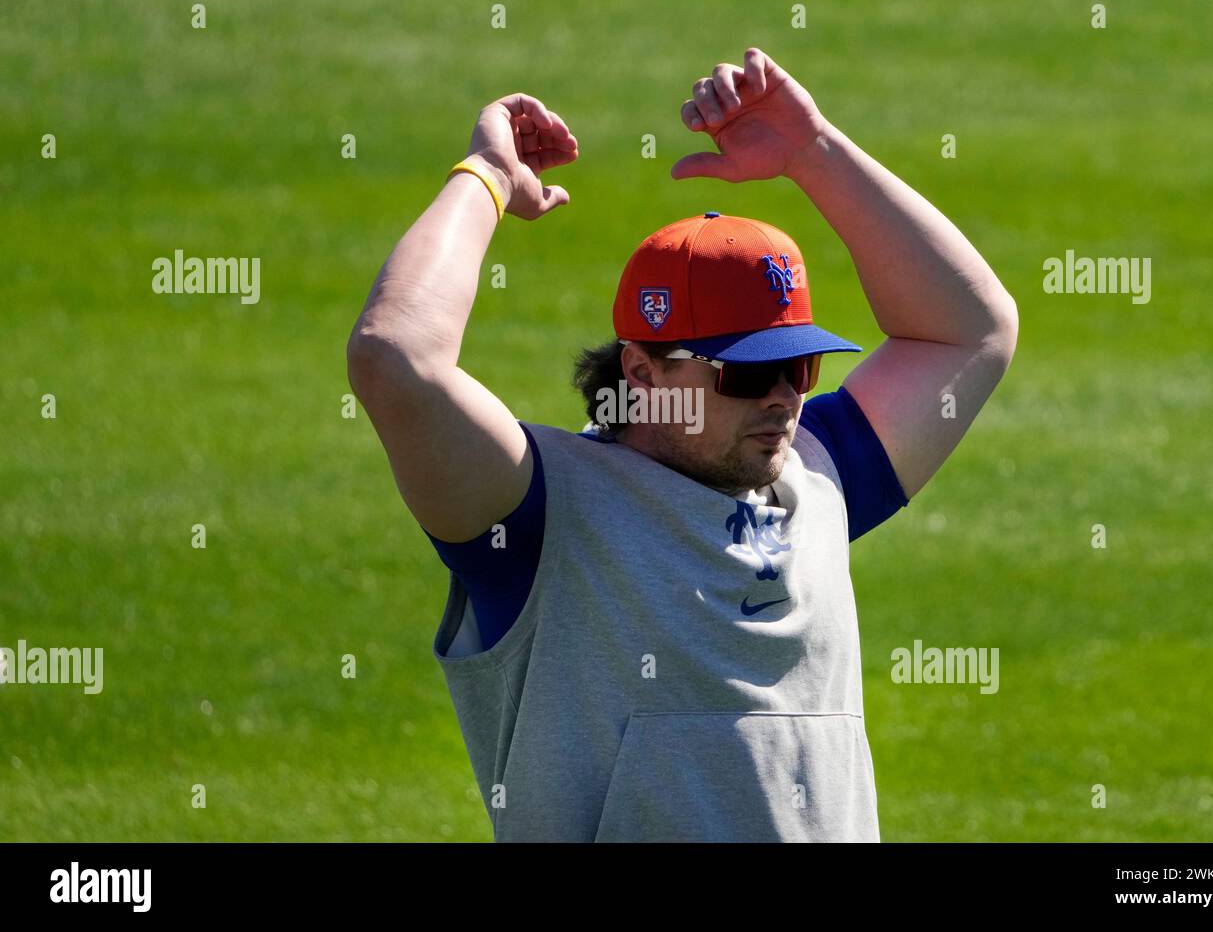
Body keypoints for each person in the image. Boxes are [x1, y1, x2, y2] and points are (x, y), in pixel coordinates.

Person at [346, 47, 1018, 841]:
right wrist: (488, 178)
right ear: (643, 371)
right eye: (745, 374)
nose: (783, 397)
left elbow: (971, 330)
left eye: (800, 365)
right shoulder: (536, 518)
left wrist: (814, 152)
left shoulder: (818, 472)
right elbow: (397, 360)